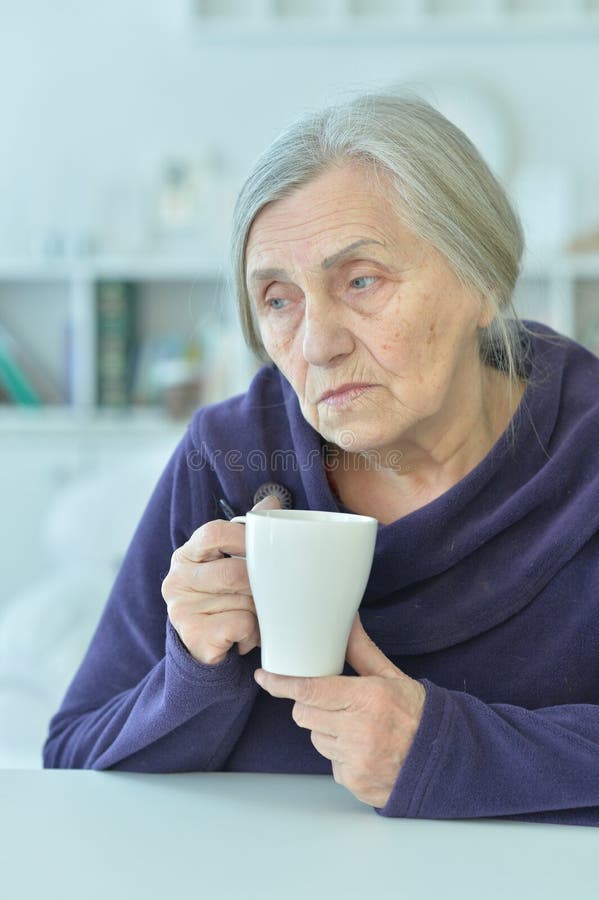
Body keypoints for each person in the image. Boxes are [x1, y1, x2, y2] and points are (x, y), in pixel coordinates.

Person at [44, 90, 599, 826]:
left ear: (482, 280)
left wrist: (451, 749)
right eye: (278, 299)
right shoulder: (230, 458)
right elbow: (73, 760)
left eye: (361, 280)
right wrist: (193, 671)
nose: (315, 344)